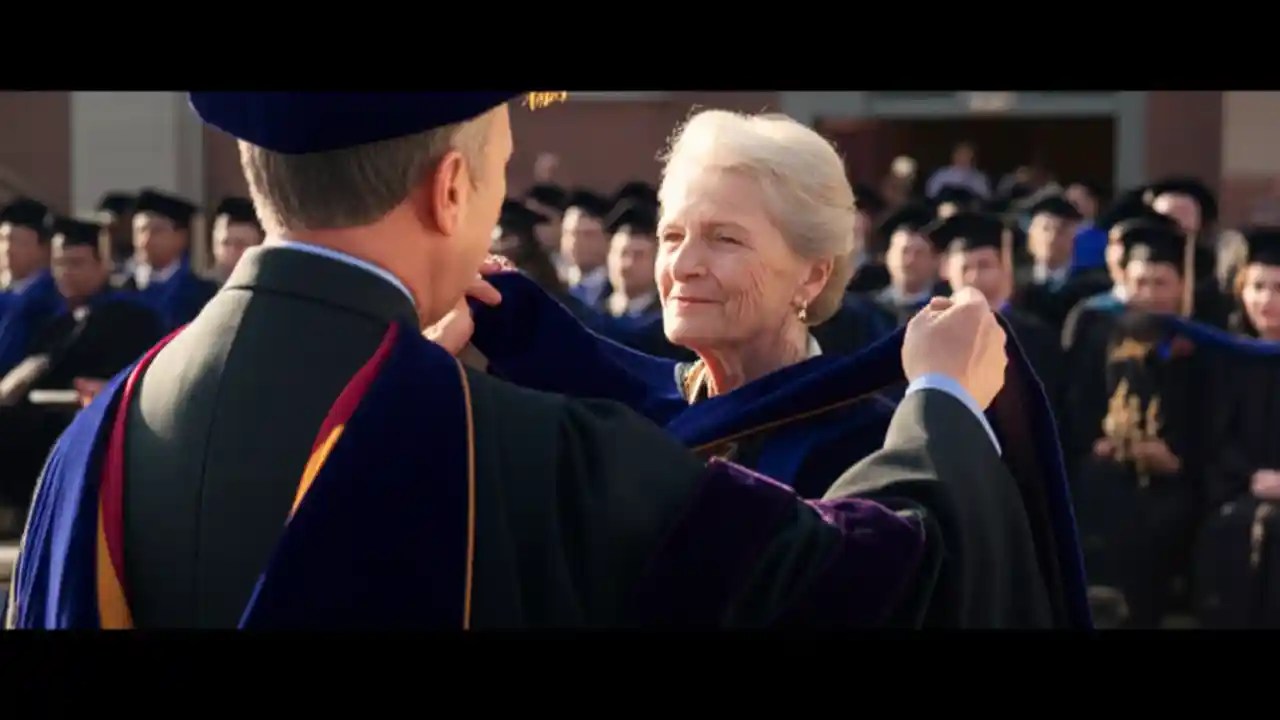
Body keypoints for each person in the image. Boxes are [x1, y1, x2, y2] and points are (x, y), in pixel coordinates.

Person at [8, 93, 1067, 631]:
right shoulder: (510, 449)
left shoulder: (89, 446)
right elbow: (867, 577)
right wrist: (939, 402)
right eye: (502, 167)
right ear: (451, 192)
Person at [464, 109, 1087, 626]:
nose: (682, 265)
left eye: (724, 239)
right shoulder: (638, 405)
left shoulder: (869, 444)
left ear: (813, 273)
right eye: (673, 235)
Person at [1060, 217, 1209, 628]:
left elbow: (1211, 419)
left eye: (1160, 283)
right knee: (1095, 488)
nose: (1147, 294)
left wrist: (1177, 458)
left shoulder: (1202, 342)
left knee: (1161, 515)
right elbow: (1076, 402)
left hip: (1177, 479)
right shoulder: (1096, 329)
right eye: (1139, 281)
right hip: (1108, 469)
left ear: (1182, 285)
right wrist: (1096, 441)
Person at [0, 217, 163, 535]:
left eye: (76, 263)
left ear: (103, 264)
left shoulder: (131, 316)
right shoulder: (55, 322)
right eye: (59, 263)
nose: (66, 273)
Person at [1192, 228, 1280, 627]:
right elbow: (1211, 436)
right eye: (1257, 286)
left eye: (1279, 288)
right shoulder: (1226, 356)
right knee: (1236, 528)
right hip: (1240, 489)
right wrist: (1250, 475)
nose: (1267, 300)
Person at [925, 212, 1064, 421]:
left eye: (984, 266)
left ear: (1004, 268)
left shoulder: (1035, 335)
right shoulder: (931, 334)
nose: (973, 277)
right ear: (947, 271)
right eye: (964, 268)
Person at [118, 189, 218, 330]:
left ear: (181, 237)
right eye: (140, 231)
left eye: (157, 231)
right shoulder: (122, 288)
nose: (146, 240)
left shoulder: (201, 293)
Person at [0, 198, 63, 377]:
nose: (7, 250)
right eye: (3, 239)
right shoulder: (7, 293)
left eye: (18, 242)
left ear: (44, 248)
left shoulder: (49, 296)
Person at [208, 196, 265, 285]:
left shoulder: (268, 290)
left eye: (241, 244)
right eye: (225, 243)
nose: (232, 251)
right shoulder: (196, 292)